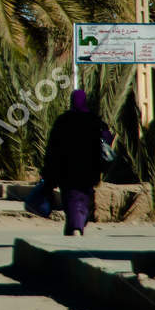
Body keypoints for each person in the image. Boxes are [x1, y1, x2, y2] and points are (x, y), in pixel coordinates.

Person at [41, 89, 108, 236]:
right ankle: (77, 225)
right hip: (89, 170)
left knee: (71, 197)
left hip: (67, 170)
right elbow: (106, 140)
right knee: (84, 198)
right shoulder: (94, 121)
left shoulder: (63, 121)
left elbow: (53, 147)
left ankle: (75, 226)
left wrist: (48, 170)